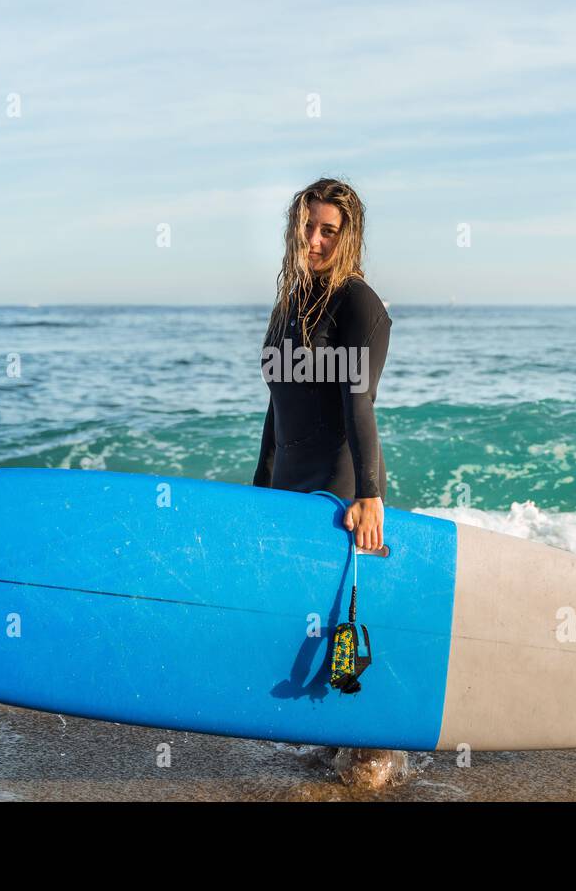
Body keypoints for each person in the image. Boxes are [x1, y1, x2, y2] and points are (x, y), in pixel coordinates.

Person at [253, 177, 404, 787]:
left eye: (328, 231)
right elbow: (276, 409)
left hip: (338, 486)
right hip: (288, 483)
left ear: (349, 238)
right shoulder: (288, 307)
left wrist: (369, 494)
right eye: (307, 227)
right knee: (302, 613)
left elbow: (358, 402)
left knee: (342, 612)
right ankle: (335, 739)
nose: (314, 240)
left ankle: (375, 749)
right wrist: (259, 491)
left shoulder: (359, 306)